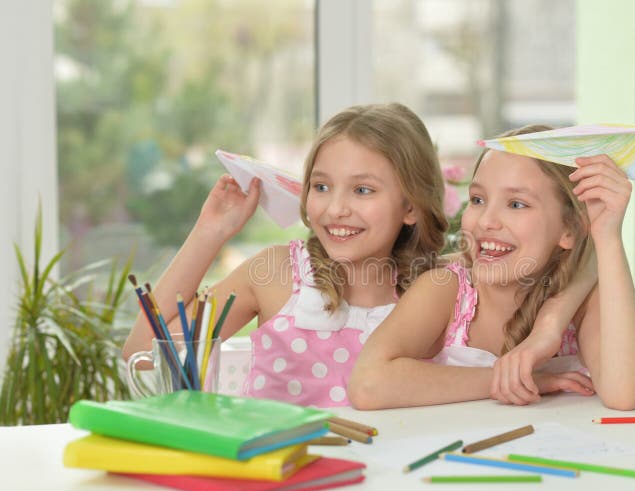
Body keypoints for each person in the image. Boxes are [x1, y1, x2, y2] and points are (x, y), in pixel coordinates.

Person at [123, 103, 449, 407]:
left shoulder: (440, 292)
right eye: (321, 187)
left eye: (362, 190)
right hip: (275, 466)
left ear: (411, 206)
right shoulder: (277, 274)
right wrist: (210, 233)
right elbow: (142, 354)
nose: (335, 209)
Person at [348, 125, 635, 410]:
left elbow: (624, 394)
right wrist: (509, 380)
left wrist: (608, 235)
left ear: (569, 230)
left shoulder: (582, 301)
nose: (486, 221)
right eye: (478, 199)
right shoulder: (446, 290)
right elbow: (367, 384)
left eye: (516, 204)